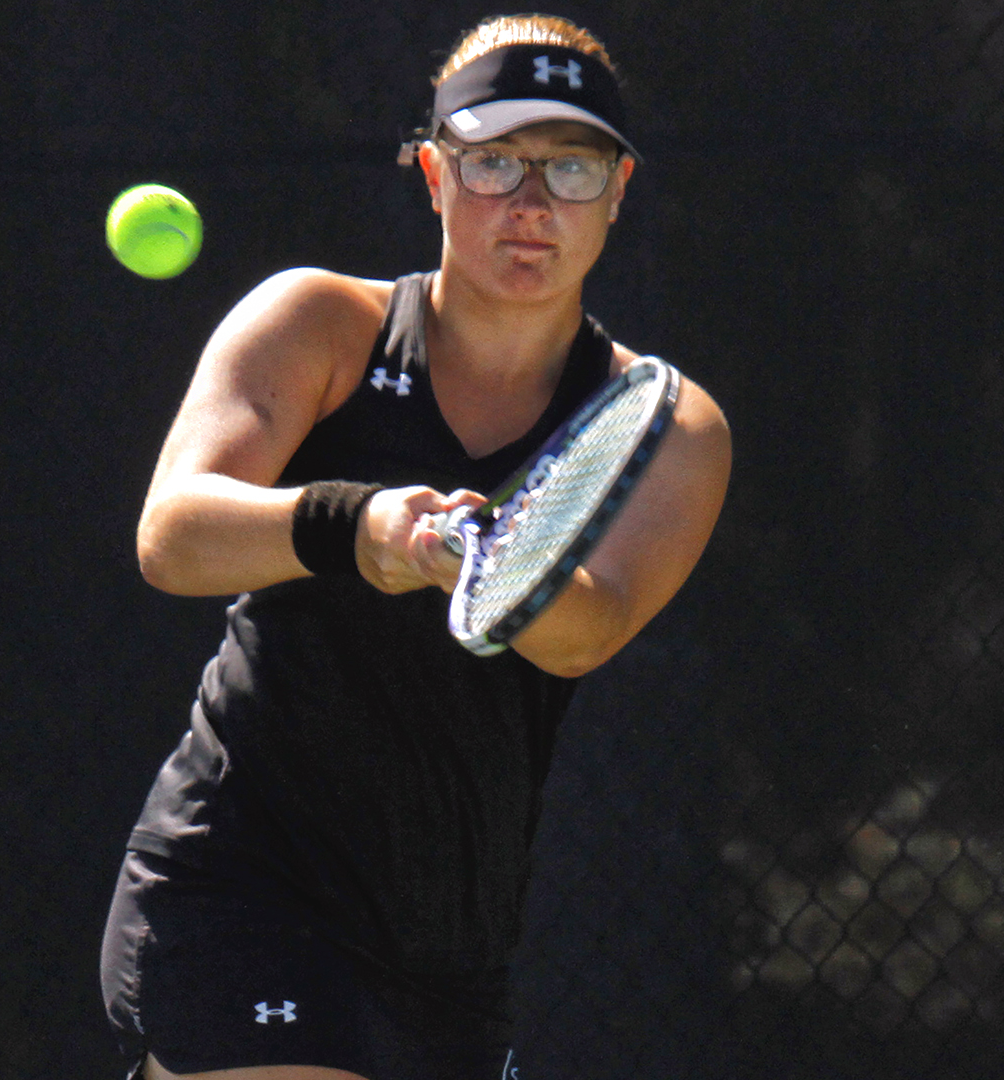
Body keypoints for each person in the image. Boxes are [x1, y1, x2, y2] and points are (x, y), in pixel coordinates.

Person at [100, 15, 730, 1080]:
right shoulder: (317, 327)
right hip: (241, 882)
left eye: (570, 168)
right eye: (494, 164)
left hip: (448, 955)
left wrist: (491, 568)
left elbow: (586, 633)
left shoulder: (669, 426)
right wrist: (362, 527)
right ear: (434, 174)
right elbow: (174, 533)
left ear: (618, 192)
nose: (531, 205)